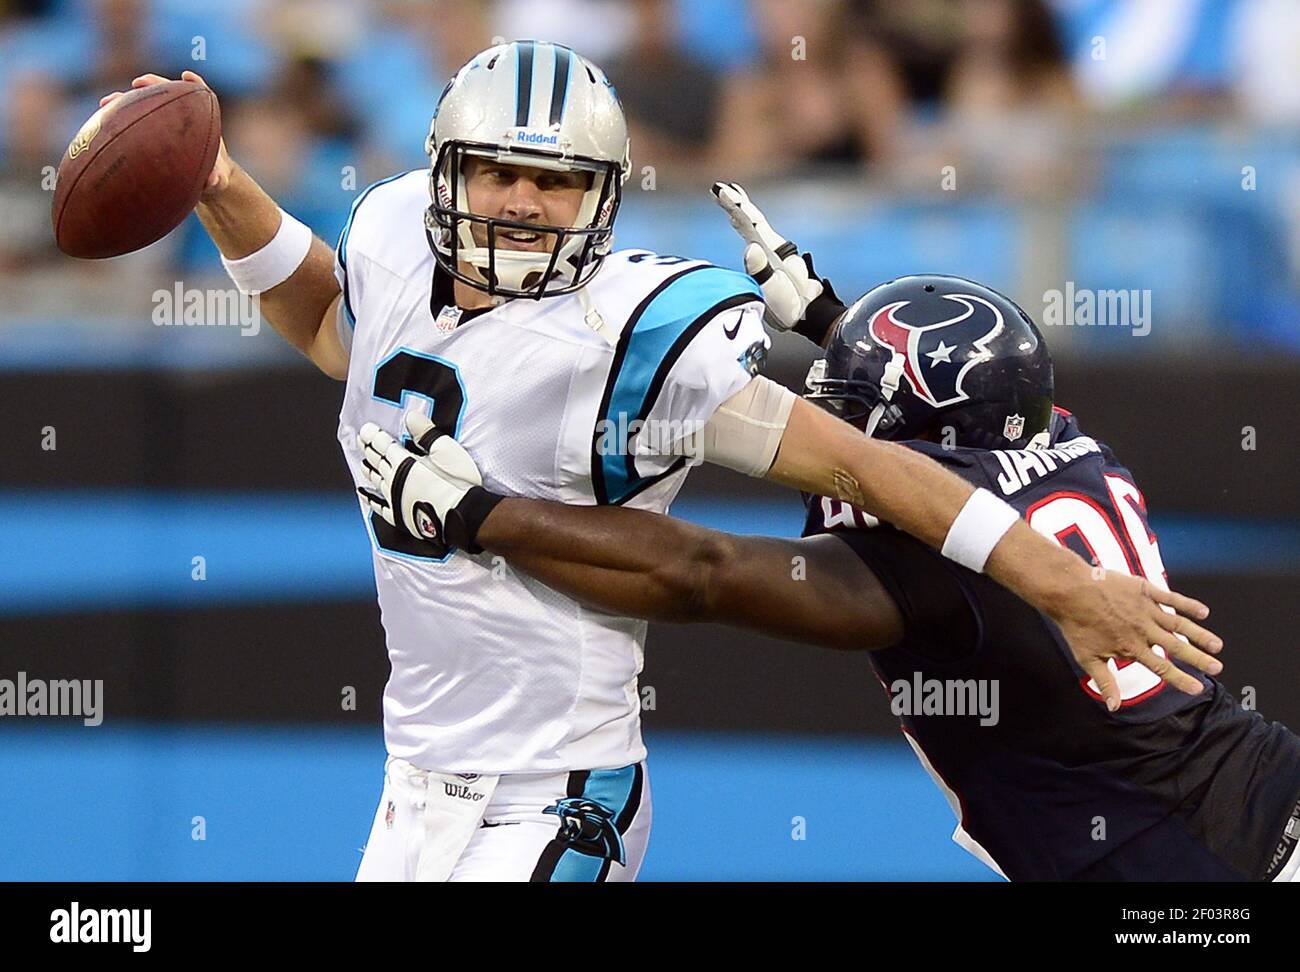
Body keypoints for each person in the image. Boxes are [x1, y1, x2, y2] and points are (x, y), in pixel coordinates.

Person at [106, 45, 1217, 882]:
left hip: (554, 789)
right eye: (497, 173)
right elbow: (340, 340)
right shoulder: (395, 234)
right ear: (445, 171)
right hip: (416, 780)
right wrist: (216, 182)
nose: (522, 203)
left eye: (554, 182)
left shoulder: (640, 333)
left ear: (606, 195)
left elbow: (870, 472)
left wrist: (1061, 586)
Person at [357, 252, 1297, 881]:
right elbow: (959, 429)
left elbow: (703, 572)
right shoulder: (1071, 445)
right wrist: (838, 322)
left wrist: (481, 514)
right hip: (1247, 804)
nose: (837, 425)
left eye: (858, 404)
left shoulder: (943, 570)